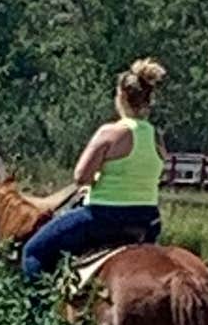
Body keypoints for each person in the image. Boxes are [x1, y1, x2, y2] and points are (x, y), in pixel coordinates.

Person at [20, 59, 170, 281]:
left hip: (104, 218)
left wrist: (95, 180)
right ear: (148, 100)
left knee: (33, 252)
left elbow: (81, 177)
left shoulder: (111, 133)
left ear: (120, 97)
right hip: (147, 222)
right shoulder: (157, 138)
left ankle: (38, 312)